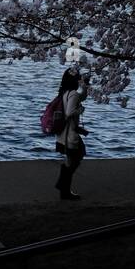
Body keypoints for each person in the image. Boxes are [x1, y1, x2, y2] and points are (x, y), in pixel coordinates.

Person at [54, 67, 89, 201]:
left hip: (64, 133)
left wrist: (84, 86)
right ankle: (63, 187)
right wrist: (80, 110)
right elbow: (69, 112)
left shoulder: (66, 92)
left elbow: (82, 96)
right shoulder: (73, 94)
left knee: (71, 160)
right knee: (77, 157)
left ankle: (64, 189)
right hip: (70, 134)